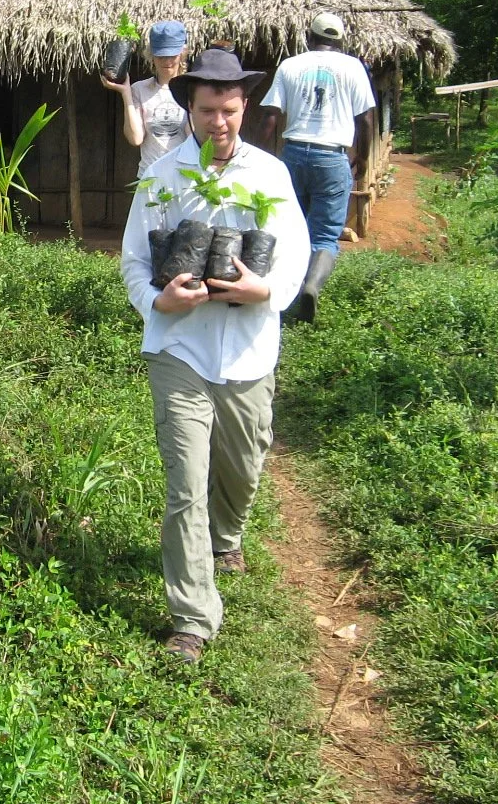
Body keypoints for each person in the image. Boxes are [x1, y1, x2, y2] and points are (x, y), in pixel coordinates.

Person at [120, 48, 310, 665]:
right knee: (184, 485)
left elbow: (296, 255)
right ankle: (194, 618)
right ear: (190, 109)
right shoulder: (164, 176)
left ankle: (227, 537)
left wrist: (268, 292)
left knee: (243, 465)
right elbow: (133, 264)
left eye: (229, 111)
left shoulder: (270, 175)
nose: (218, 123)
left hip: (251, 349)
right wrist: (159, 299)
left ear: (244, 107)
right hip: (179, 347)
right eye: (207, 111)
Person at [258, 11, 376, 319]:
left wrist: (259, 157)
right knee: (324, 234)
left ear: (309, 38)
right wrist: (362, 158)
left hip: (294, 153)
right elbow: (365, 119)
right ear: (339, 41)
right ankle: (311, 285)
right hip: (332, 157)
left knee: (287, 226)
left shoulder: (290, 65)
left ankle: (282, 294)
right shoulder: (353, 68)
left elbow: (271, 115)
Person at [101, 19, 192, 176]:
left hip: (182, 177)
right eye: (161, 56)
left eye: (172, 55)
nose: (167, 61)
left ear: (182, 54)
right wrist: (126, 93)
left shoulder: (193, 88)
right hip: (149, 177)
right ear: (152, 56)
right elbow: (136, 139)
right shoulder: (139, 89)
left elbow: (195, 139)